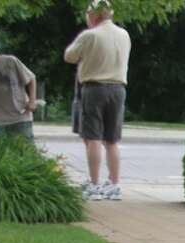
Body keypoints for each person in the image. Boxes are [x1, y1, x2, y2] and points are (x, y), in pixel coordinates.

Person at [65, 0, 132, 202]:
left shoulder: (90, 35)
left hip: (94, 88)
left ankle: (93, 184)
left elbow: (69, 56)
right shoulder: (124, 34)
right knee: (111, 139)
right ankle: (114, 183)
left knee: (92, 136)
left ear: (94, 15)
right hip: (118, 88)